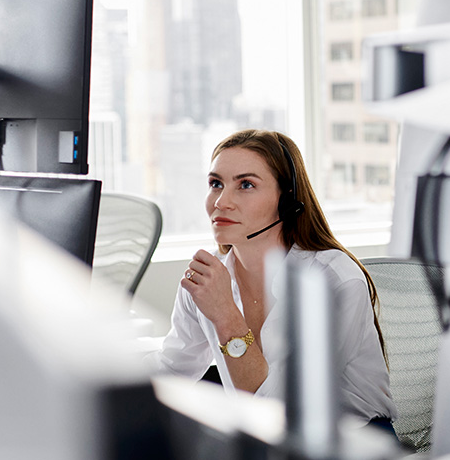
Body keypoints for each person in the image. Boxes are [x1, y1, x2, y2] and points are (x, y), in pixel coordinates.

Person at [146, 128, 395, 428]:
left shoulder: (332, 282)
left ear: (287, 200)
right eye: (216, 184)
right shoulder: (209, 278)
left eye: (246, 185)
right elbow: (173, 367)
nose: (221, 202)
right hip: (265, 446)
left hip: (354, 449)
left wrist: (226, 315)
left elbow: (278, 414)